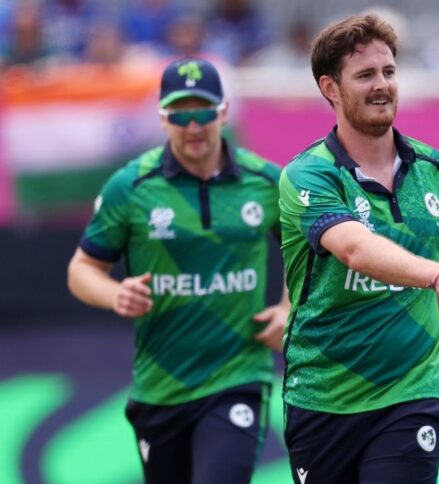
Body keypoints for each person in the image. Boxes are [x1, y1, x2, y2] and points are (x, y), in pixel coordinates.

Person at [278, 14, 439, 484]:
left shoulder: (432, 167)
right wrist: (437, 275)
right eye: (365, 75)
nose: (382, 86)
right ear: (330, 88)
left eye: (389, 72)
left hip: (410, 394)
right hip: (322, 397)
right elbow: (354, 248)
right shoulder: (308, 174)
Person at [66, 57, 288, 484]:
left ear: (223, 112)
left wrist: (288, 310)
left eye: (203, 113)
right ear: (162, 118)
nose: (193, 126)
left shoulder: (265, 181)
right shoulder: (130, 187)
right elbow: (81, 269)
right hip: (160, 386)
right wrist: (114, 293)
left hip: (237, 376)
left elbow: (312, 254)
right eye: (179, 115)